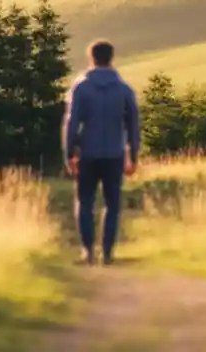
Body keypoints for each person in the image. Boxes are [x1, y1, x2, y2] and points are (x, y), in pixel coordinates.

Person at [62, 39, 140, 266]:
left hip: (87, 153)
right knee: (112, 204)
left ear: (91, 58)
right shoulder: (124, 89)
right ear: (111, 58)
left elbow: (71, 122)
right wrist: (133, 155)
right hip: (114, 154)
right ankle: (107, 253)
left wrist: (69, 154)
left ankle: (88, 252)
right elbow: (133, 125)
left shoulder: (81, 87)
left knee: (85, 202)